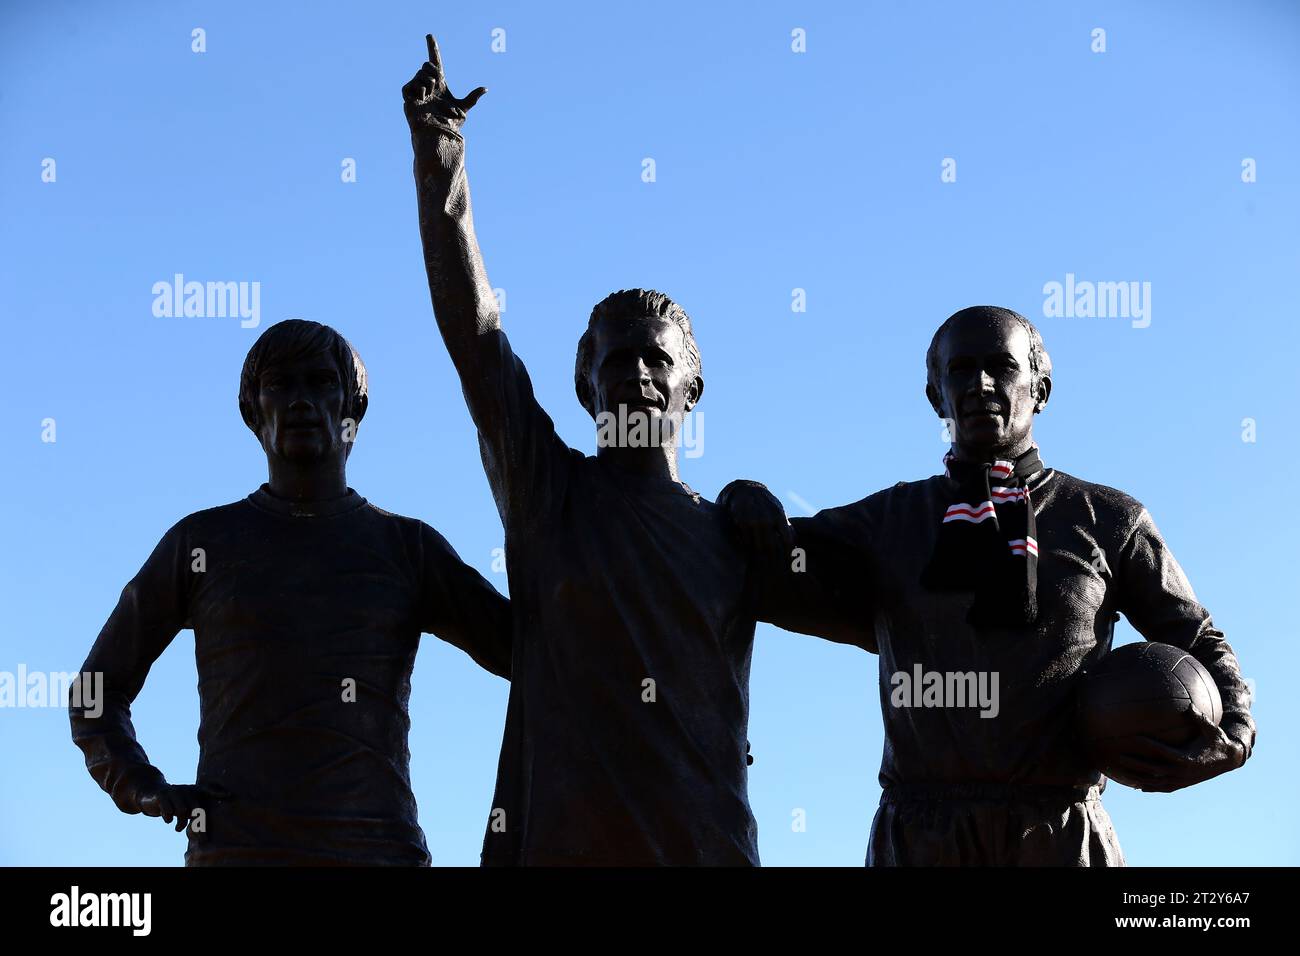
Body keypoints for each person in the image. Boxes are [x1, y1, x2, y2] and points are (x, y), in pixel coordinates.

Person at [721, 305, 1256, 866]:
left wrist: (1236, 734)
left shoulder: (1107, 519)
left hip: (1061, 834)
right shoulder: (889, 521)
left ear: (1040, 390)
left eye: (1001, 366)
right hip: (924, 837)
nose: (980, 384)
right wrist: (740, 498)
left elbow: (1197, 636)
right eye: (960, 370)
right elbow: (763, 560)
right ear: (936, 397)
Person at [404, 34, 761, 865]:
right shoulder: (548, 493)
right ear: (583, 383)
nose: (636, 373)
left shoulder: (735, 533)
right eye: (615, 359)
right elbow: (476, 338)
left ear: (693, 387)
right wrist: (440, 156)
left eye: (656, 360)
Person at [69, 319, 512, 865]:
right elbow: (96, 691)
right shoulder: (201, 543)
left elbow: (536, 655)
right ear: (252, 412)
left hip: (378, 854)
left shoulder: (408, 549)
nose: (301, 401)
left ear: (354, 408)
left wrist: (568, 540)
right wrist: (139, 783)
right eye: (279, 384)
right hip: (238, 856)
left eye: (321, 382)